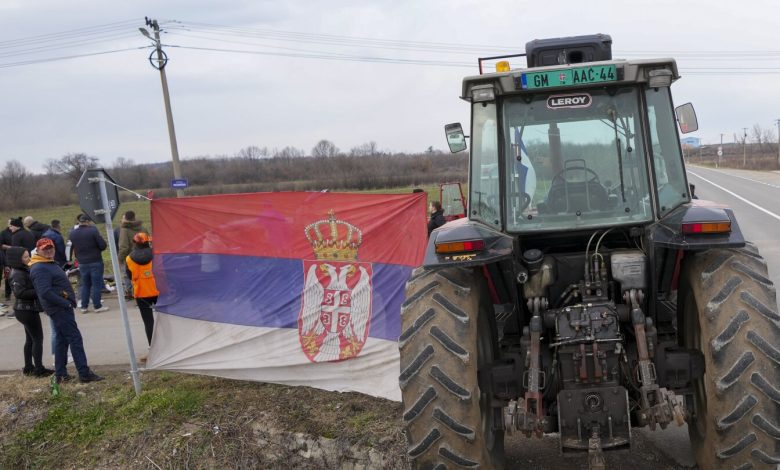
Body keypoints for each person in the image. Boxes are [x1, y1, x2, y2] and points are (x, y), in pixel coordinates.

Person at [29, 238, 103, 384]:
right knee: (75, 339)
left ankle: (61, 375)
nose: (49, 250)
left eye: (51, 247)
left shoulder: (47, 263)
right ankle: (84, 373)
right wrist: (65, 303)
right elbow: (45, 292)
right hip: (59, 309)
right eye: (45, 249)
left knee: (61, 341)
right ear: (37, 250)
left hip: (61, 307)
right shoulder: (39, 267)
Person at [7, 246, 55, 377]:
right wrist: (40, 291)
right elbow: (19, 292)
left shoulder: (22, 270)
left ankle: (29, 367)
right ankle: (39, 369)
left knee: (30, 340)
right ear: (17, 259)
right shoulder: (17, 273)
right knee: (37, 339)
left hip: (26, 310)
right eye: (25, 257)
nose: (28, 258)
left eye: (28, 255)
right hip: (26, 311)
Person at [69, 214, 109, 313]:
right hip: (95, 261)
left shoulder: (73, 233)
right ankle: (97, 306)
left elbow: (71, 248)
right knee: (96, 284)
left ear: (79, 222)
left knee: (85, 284)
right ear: (87, 221)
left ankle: (84, 306)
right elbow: (103, 246)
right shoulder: (93, 230)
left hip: (82, 263)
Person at [125, 233, 158, 344]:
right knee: (164, 320)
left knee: (148, 322)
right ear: (148, 241)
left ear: (134, 243)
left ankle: (152, 347)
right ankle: (167, 347)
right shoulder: (156, 253)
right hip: (158, 290)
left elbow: (129, 276)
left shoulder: (129, 258)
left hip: (141, 293)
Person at [117, 211, 147, 300]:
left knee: (130, 277)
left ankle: (133, 294)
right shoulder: (143, 228)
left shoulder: (124, 230)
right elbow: (149, 241)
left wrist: (120, 259)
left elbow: (124, 247)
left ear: (125, 218)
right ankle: (143, 295)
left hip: (131, 258)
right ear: (135, 217)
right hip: (145, 256)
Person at [1, 220, 13, 303]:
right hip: (7, 257)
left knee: (18, 275)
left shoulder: (17, 232)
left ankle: (18, 293)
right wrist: (10, 247)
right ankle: (7, 294)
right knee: (8, 276)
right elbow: (0, 245)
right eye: (10, 224)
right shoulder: (3, 233)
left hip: (18, 257)